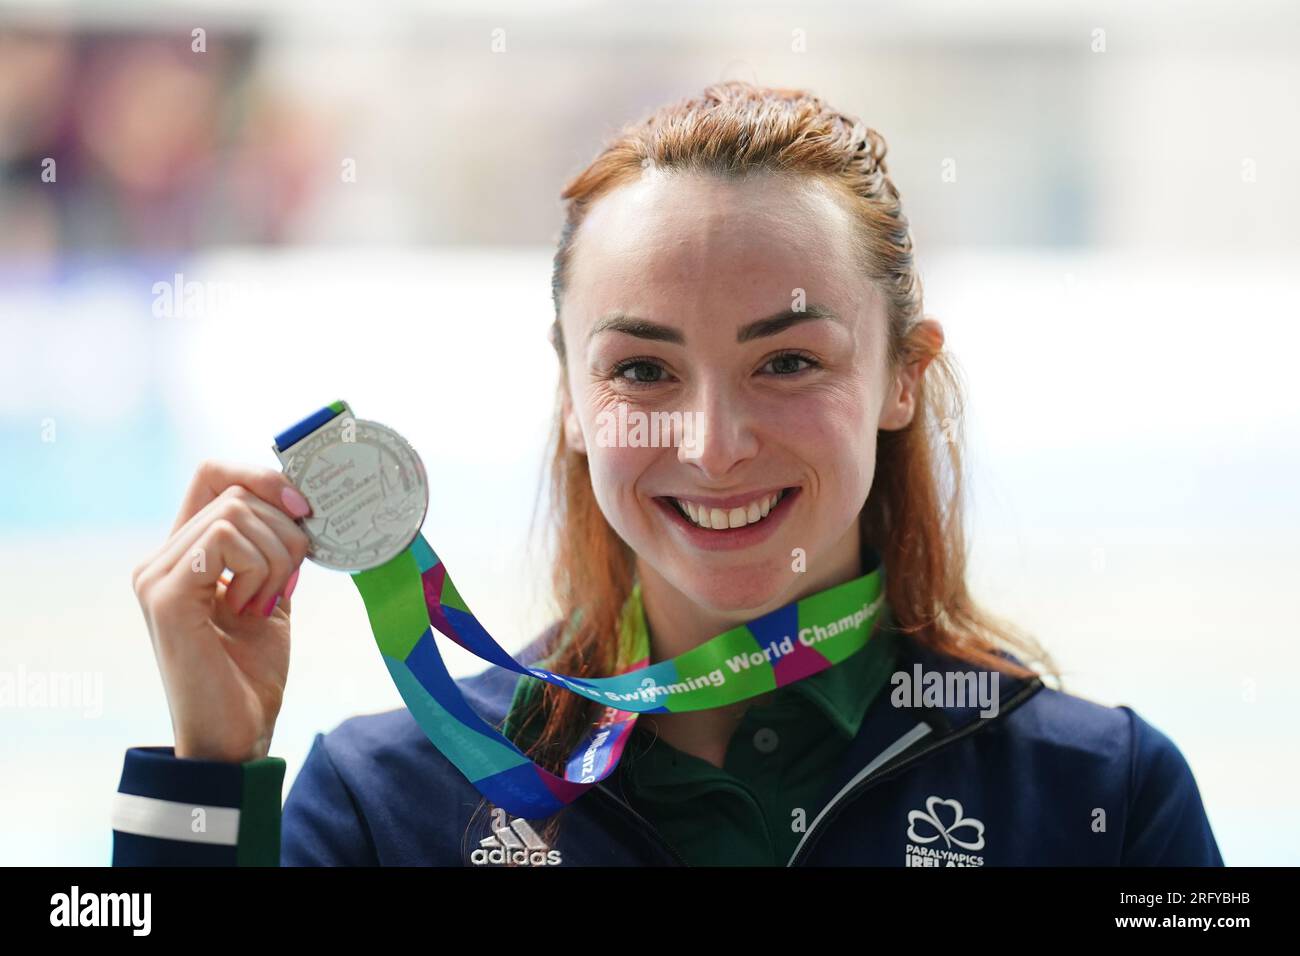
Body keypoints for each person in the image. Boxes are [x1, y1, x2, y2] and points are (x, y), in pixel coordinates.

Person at [115, 81, 1223, 866]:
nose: (712, 441)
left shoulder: (1102, 794)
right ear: (572, 400)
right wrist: (207, 773)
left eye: (786, 360)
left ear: (900, 378)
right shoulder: (387, 798)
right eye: (643, 367)